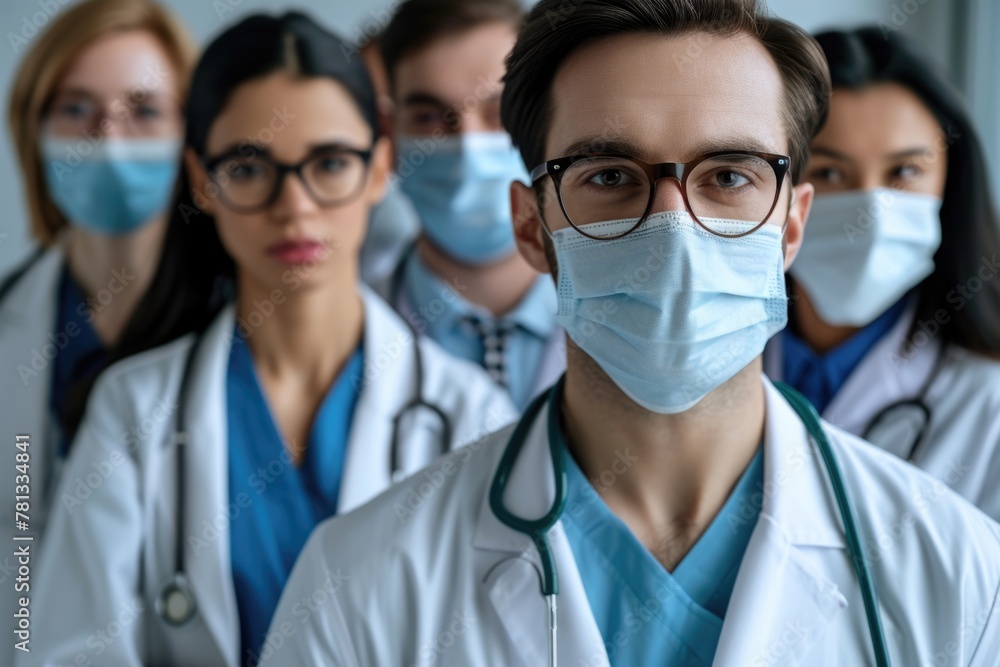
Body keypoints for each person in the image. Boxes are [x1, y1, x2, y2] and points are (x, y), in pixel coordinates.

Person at [263, 1, 1000, 665]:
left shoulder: (960, 572)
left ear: (791, 226)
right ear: (532, 227)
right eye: (610, 176)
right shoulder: (358, 581)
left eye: (729, 176)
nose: (673, 230)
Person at [23, 12, 515, 667]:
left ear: (379, 167)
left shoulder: (472, 417)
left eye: (330, 163)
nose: (295, 207)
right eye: (250, 167)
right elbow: (73, 651)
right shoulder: (132, 410)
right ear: (202, 180)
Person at [1, 0, 194, 659]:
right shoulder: (16, 318)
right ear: (33, 131)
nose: (108, 139)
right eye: (77, 108)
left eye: (144, 110)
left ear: (192, 134)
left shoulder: (242, 324)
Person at [763, 27, 1000, 520]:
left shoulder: (987, 403)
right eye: (829, 173)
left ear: (951, 183)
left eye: (904, 172)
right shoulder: (707, 356)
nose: (871, 209)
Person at [374, 0, 564, 411]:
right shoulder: (357, 334)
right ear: (389, 135)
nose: (468, 149)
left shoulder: (627, 318)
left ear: (544, 121)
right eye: (430, 119)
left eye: (500, 113)